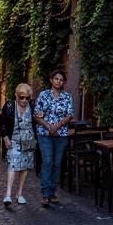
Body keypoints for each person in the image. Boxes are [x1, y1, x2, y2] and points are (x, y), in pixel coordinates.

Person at [33, 69, 74, 206]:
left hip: (61, 134)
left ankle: (52, 192)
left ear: (63, 82)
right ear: (51, 80)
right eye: (56, 79)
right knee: (48, 162)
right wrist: (50, 127)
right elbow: (37, 115)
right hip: (45, 134)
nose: (59, 81)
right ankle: (45, 194)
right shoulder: (43, 95)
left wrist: (58, 126)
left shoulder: (67, 97)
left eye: (61, 79)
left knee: (57, 164)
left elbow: (69, 115)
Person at [0, 83, 36, 207]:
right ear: (16, 96)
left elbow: (38, 120)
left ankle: (19, 193)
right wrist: (5, 138)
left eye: (27, 98)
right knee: (13, 163)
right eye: (21, 97)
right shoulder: (9, 106)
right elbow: (2, 123)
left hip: (28, 139)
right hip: (13, 138)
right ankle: (8, 194)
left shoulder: (33, 106)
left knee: (24, 166)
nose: (24, 100)